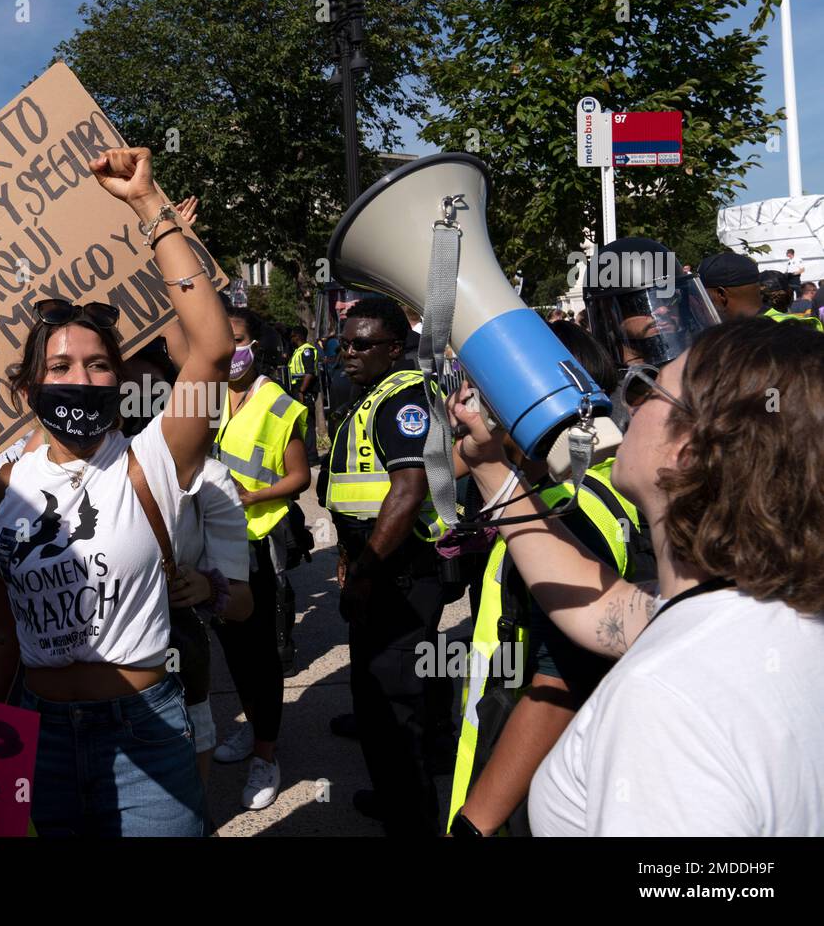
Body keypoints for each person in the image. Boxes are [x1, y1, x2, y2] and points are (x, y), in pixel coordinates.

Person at [451, 317, 824, 835]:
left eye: (649, 390)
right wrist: (492, 468)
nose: (628, 403)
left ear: (687, 453)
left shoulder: (663, 705)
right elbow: (607, 610)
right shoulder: (774, 606)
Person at [0, 146, 236, 837]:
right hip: (41, 738)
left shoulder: (152, 460)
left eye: (96, 365)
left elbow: (208, 348)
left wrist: (151, 207)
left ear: (119, 382)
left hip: (148, 732)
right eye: (60, 366)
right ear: (29, 390)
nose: (80, 378)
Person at [446, 323, 648, 837]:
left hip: (529, 787)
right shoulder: (567, 491)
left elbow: (559, 683)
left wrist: (476, 823)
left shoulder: (572, 513)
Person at [317, 297, 449, 835]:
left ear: (395, 348)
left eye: (362, 344)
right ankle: (394, 795)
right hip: (378, 565)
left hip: (399, 574)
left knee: (396, 709)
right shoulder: (375, 394)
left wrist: (366, 570)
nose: (349, 352)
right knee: (377, 692)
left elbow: (408, 489)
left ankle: (413, 818)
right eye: (344, 342)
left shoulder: (404, 399)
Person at [121, 339, 254, 828]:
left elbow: (241, 605)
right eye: (118, 385)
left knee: (181, 814)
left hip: (176, 674)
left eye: (153, 392)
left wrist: (208, 587)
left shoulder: (212, 481)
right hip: (81, 695)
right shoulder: (63, 473)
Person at [209, 306, 310, 810]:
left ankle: (266, 756)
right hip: (211, 543)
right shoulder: (203, 397)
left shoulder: (278, 404)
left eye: (239, 339)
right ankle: (250, 730)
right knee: (231, 650)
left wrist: (253, 497)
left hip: (256, 543)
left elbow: (300, 477)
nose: (231, 349)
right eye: (222, 340)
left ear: (255, 345)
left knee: (260, 655)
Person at [584, 237, 722, 428]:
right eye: (640, 304)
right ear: (608, 315)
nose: (662, 310)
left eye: (669, 299)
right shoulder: (602, 394)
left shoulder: (706, 369)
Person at [697, 251, 823, 331]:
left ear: (721, 295)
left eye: (703, 294)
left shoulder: (743, 341)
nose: (701, 302)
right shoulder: (802, 327)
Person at [285, 326, 321, 467]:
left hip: (304, 390)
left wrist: (301, 390)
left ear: (298, 336)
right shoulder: (297, 352)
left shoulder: (307, 350)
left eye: (293, 336)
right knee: (301, 423)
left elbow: (309, 372)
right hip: (297, 388)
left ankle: (312, 457)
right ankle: (307, 455)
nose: (292, 339)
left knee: (307, 423)